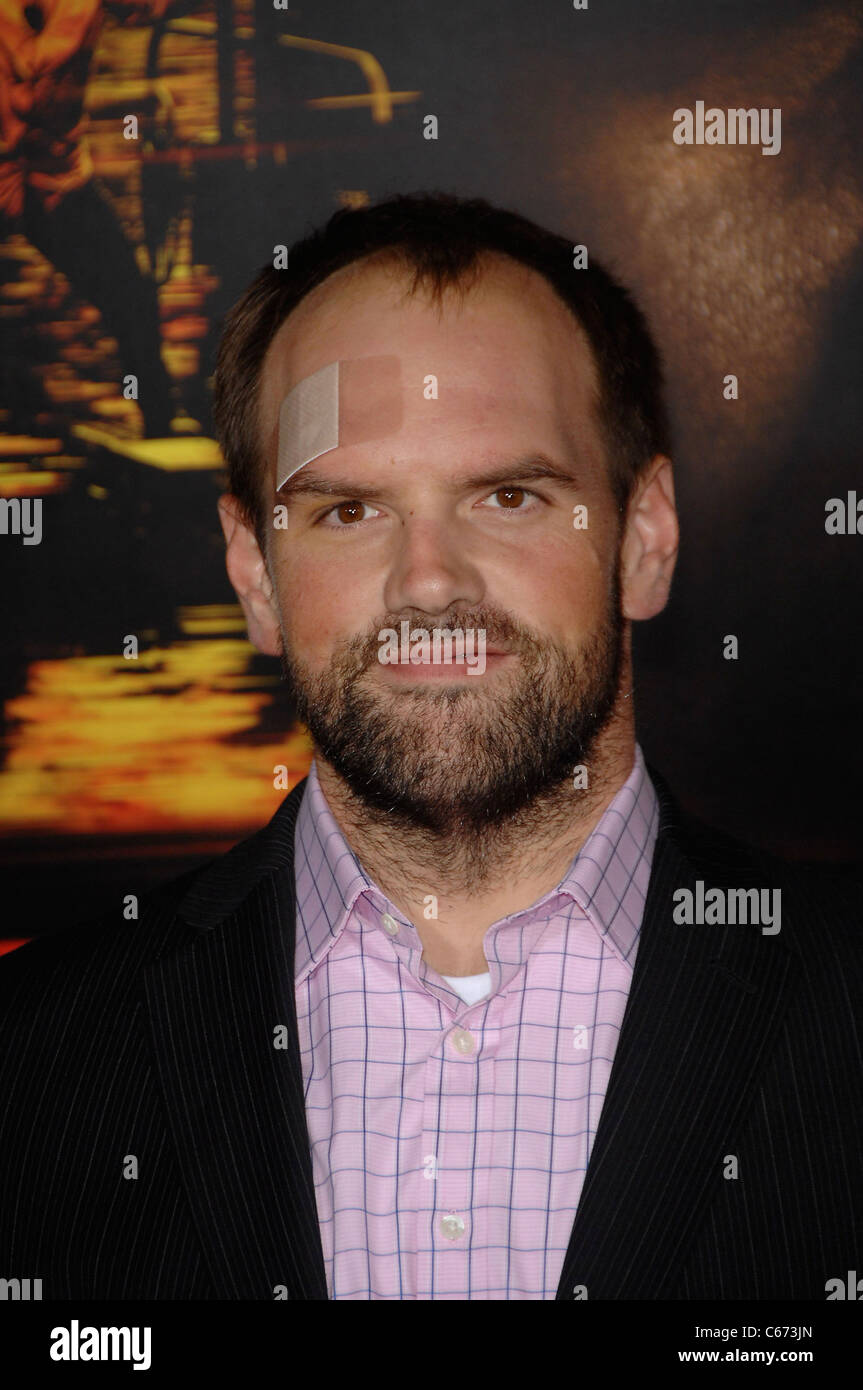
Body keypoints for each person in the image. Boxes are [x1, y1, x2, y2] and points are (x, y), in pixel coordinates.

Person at [0, 192, 859, 1301]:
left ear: (643, 539)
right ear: (254, 572)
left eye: (508, 495)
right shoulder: (31, 1067)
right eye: (347, 512)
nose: (428, 582)